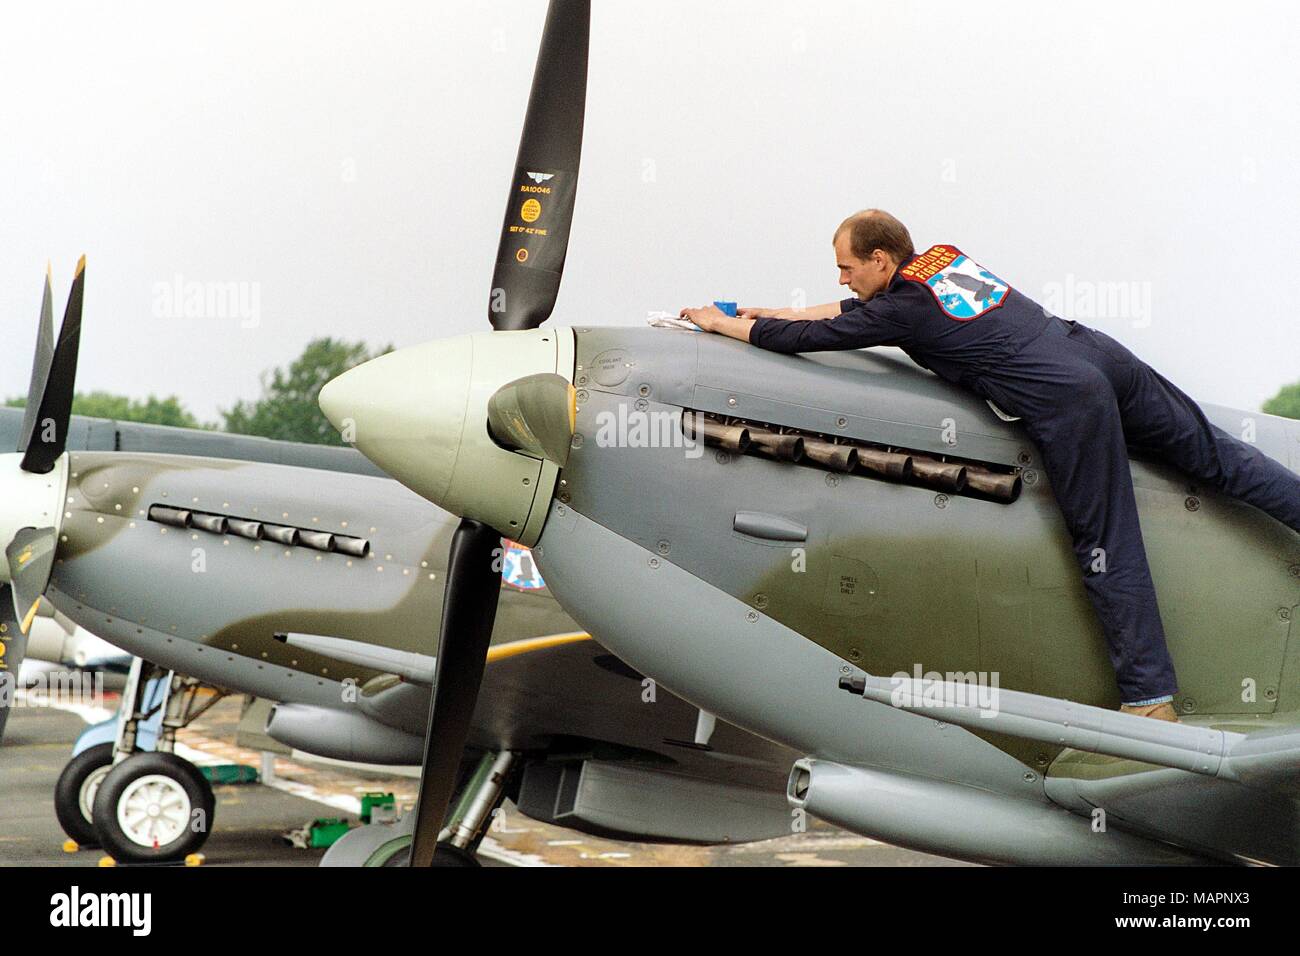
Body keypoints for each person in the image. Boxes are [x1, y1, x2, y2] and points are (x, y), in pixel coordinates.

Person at [681, 209, 1300, 722]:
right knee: (1223, 459)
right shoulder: (944, 258)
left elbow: (807, 339)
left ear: (880, 261)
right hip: (1099, 355)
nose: (842, 279)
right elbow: (835, 315)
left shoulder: (899, 310)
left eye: (847, 266)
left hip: (1065, 398)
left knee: (1105, 542)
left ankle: (1150, 700)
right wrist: (749, 311)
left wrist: (723, 328)